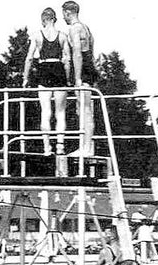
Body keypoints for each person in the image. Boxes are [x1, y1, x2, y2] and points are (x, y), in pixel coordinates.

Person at [22, 8, 71, 157]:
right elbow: (67, 60)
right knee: (60, 112)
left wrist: (25, 78)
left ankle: (46, 147)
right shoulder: (63, 36)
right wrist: (68, 79)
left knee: (46, 112)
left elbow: (29, 58)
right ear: (54, 19)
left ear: (43, 20)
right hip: (58, 69)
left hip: (44, 69)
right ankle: (60, 146)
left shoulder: (37, 35)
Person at [62, 1, 96, 156]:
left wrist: (77, 78)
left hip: (82, 71)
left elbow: (77, 53)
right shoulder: (86, 28)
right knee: (83, 109)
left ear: (68, 12)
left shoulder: (74, 29)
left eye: (63, 14)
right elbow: (91, 50)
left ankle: (86, 148)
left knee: (84, 109)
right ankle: (86, 145)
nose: (63, 17)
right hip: (88, 69)